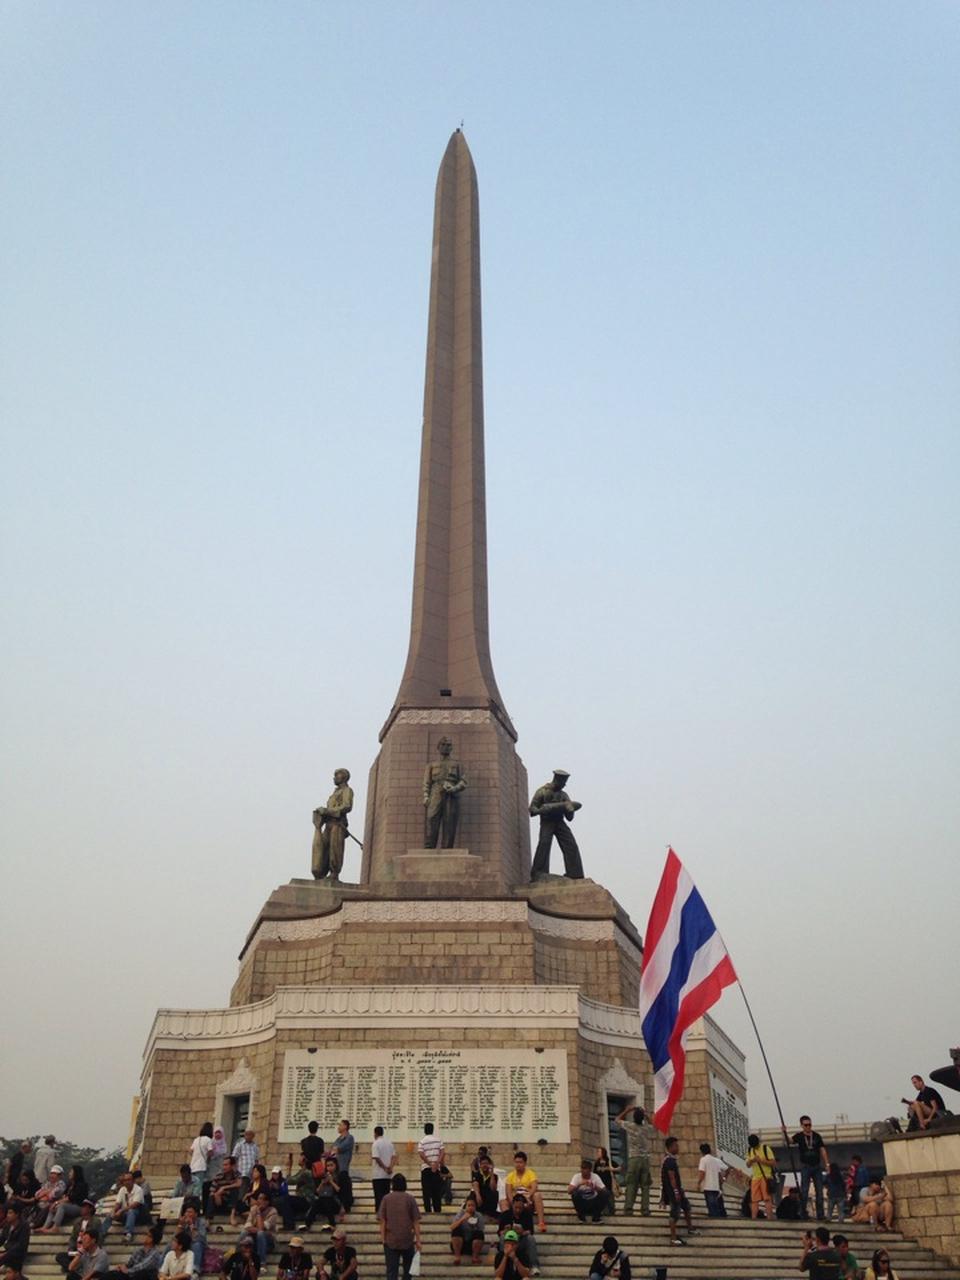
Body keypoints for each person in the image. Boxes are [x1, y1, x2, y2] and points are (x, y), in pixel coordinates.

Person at [529, 770, 584, 879]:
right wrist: (541, 810)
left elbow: (569, 818)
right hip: (547, 821)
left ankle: (575, 873)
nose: (564, 785)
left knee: (571, 844)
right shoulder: (542, 791)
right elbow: (532, 809)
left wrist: (570, 810)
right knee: (544, 844)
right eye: (563, 783)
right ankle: (538, 872)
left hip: (560, 822)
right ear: (557, 780)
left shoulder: (563, 795)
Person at [422, 737, 467, 848]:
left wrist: (454, 788)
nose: (445, 747)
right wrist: (426, 796)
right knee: (432, 819)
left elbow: (463, 781)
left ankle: (447, 848)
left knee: (449, 822)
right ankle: (429, 847)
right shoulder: (431, 765)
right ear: (438, 747)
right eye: (443, 745)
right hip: (436, 792)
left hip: (451, 795)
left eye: (448, 745)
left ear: (451, 748)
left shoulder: (457, 765)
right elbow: (427, 782)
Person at [377, 1173, 421, 1280]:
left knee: (392, 1271)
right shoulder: (410, 1199)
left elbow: (382, 1220)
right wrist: (418, 1239)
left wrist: (383, 1238)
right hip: (407, 1239)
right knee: (407, 1271)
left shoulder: (386, 1198)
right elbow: (415, 1220)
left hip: (390, 1239)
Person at [312, 768, 354, 880]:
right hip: (328, 824)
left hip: (338, 824)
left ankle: (334, 873)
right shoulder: (335, 793)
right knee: (324, 848)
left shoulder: (347, 790)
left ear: (344, 777)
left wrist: (327, 811)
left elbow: (347, 806)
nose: (334, 778)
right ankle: (321, 873)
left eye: (337, 775)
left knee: (335, 848)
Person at [786, 1117, 829, 1220]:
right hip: (805, 1166)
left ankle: (820, 1215)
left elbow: (822, 1150)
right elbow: (790, 1141)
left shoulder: (817, 1136)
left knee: (819, 1191)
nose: (808, 1127)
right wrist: (784, 1132)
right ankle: (803, 1213)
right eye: (806, 1125)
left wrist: (827, 1164)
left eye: (810, 1124)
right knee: (804, 1191)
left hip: (817, 1166)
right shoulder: (799, 1136)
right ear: (801, 1125)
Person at [614, 1102, 652, 1217]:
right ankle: (645, 1209)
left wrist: (627, 1110)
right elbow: (654, 1124)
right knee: (645, 1186)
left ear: (634, 1118)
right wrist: (645, 1114)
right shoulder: (646, 1128)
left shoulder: (630, 1126)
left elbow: (617, 1119)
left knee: (631, 1184)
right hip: (645, 1159)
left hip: (634, 1159)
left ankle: (629, 1208)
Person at [661, 1137, 696, 1247]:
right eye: (676, 1146)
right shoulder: (669, 1161)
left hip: (677, 1190)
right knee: (674, 1214)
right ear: (670, 1147)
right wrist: (676, 1192)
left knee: (686, 1207)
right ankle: (673, 1238)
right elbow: (672, 1178)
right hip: (673, 1192)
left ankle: (690, 1228)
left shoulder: (669, 1160)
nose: (678, 1148)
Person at [55, 1196, 103, 1270]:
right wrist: (71, 1248)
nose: (82, 1208)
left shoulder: (96, 1222)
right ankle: (74, 1267)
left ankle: (71, 1267)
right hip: (76, 1252)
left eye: (84, 1207)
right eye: (82, 1206)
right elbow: (73, 1238)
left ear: (90, 1209)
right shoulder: (78, 1222)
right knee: (59, 1256)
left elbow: (98, 1239)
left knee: (66, 1267)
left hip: (87, 1253)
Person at [504, 1153, 546, 1234]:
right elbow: (508, 1191)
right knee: (503, 1202)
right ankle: (507, 1224)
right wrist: (513, 1202)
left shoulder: (530, 1173)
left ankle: (541, 1222)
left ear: (525, 1163)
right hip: (515, 1201)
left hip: (528, 1201)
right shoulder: (510, 1175)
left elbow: (534, 1187)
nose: (518, 1164)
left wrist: (527, 1197)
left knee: (537, 1195)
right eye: (516, 1162)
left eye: (520, 1162)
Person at [496, 1196, 540, 1274]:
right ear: (512, 1205)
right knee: (503, 1237)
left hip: (520, 1241)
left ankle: (534, 1265)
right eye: (516, 1207)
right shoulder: (506, 1214)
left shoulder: (527, 1215)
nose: (518, 1210)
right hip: (509, 1242)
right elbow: (499, 1232)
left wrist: (522, 1232)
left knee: (530, 1238)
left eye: (520, 1208)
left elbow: (530, 1231)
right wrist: (506, 1231)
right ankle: (503, 1263)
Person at [239, 1192, 278, 1266]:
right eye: (259, 1199)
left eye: (263, 1199)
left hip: (268, 1242)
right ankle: (238, 1258)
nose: (261, 1201)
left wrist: (259, 1213)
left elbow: (261, 1228)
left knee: (260, 1234)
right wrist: (253, 1229)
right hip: (255, 1241)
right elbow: (247, 1226)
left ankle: (261, 1262)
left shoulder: (273, 1211)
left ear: (268, 1201)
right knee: (243, 1233)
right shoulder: (253, 1209)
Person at [745, 1133, 776, 1221]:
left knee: (767, 1198)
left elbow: (773, 1162)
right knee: (754, 1199)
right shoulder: (750, 1150)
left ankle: (769, 1218)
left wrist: (761, 1160)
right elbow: (747, 1164)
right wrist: (751, 1160)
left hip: (766, 1176)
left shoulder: (766, 1148)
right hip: (755, 1177)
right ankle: (754, 1218)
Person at [207, 1156, 244, 1227]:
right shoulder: (218, 1176)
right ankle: (207, 1220)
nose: (224, 1167)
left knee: (235, 1190)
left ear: (232, 1166)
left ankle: (232, 1217)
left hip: (232, 1204)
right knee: (211, 1196)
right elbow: (212, 1191)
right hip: (220, 1203)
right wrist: (216, 1195)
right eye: (223, 1165)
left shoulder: (236, 1174)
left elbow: (239, 1184)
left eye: (226, 1165)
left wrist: (224, 1188)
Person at [282, 1155, 316, 1232]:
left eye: (300, 1157)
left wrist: (288, 1167)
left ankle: (289, 1224)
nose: (298, 1159)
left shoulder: (306, 1172)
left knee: (287, 1199)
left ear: (304, 1160)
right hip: (301, 1199)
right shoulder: (301, 1172)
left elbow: (290, 1181)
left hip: (307, 1200)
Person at [417, 1123, 445, 1214]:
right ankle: (437, 1210)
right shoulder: (438, 1140)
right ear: (432, 1130)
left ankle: (428, 1210)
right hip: (436, 1169)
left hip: (426, 1169)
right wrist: (436, 1163)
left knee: (426, 1191)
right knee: (436, 1191)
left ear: (425, 1130)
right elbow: (442, 1152)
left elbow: (421, 1154)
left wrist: (429, 1163)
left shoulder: (422, 1141)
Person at [329, 1120, 355, 1214]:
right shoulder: (338, 1139)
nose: (338, 1127)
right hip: (336, 1169)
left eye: (340, 1125)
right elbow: (332, 1149)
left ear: (345, 1126)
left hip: (343, 1168)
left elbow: (338, 1148)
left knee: (344, 1189)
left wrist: (336, 1149)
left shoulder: (349, 1138)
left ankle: (346, 1206)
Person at [188, 1124, 215, 1215]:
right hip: (201, 1166)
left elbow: (190, 1151)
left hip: (193, 1166)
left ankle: (191, 1207)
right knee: (199, 1189)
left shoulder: (196, 1140)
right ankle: (196, 1208)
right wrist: (208, 1159)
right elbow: (211, 1152)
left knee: (193, 1187)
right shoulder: (208, 1140)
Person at [450, 1194, 484, 1264]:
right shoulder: (461, 1214)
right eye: (469, 1205)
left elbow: (481, 1230)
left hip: (472, 1243)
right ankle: (457, 1257)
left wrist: (474, 1226)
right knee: (456, 1230)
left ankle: (475, 1257)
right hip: (460, 1242)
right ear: (466, 1206)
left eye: (473, 1205)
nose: (471, 1207)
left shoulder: (479, 1216)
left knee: (479, 1234)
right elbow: (452, 1227)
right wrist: (462, 1219)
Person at [697, 1142, 728, 1218]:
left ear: (702, 1152)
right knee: (716, 1206)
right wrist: (722, 1182)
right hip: (715, 1187)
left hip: (708, 1186)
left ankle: (715, 1221)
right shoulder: (715, 1160)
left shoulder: (703, 1160)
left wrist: (698, 1183)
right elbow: (719, 1173)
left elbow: (702, 1172)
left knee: (711, 1207)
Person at [311, 1158, 343, 1231]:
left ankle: (332, 1224)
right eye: (328, 1166)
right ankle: (308, 1223)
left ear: (336, 1166)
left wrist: (331, 1182)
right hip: (323, 1200)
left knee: (327, 1200)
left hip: (334, 1202)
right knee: (317, 1202)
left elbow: (339, 1190)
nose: (329, 1168)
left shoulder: (339, 1177)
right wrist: (322, 1183)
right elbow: (317, 1192)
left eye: (331, 1165)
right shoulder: (323, 1177)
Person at [0, 1204, 31, 1279]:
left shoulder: (24, 1226)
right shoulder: (7, 1226)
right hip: (8, 1252)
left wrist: (5, 1253)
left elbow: (21, 1245)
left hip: (18, 1253)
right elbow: (2, 1239)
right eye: (7, 1213)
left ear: (17, 1214)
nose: (8, 1215)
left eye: (10, 1213)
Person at [370, 1126, 396, 1212]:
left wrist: (385, 1168)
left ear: (375, 1133)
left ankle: (379, 1215)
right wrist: (390, 1168)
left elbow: (376, 1158)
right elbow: (393, 1157)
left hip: (378, 1175)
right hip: (387, 1175)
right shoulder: (390, 1143)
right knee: (386, 1197)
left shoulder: (376, 1143)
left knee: (379, 1198)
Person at [593, 1148, 619, 1214]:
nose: (598, 1153)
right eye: (597, 1152)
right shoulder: (596, 1163)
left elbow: (619, 1168)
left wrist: (611, 1169)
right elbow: (594, 1173)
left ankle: (611, 1211)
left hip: (608, 1184)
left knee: (609, 1199)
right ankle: (603, 1211)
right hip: (600, 1185)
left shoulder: (609, 1162)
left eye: (599, 1151)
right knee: (601, 1198)